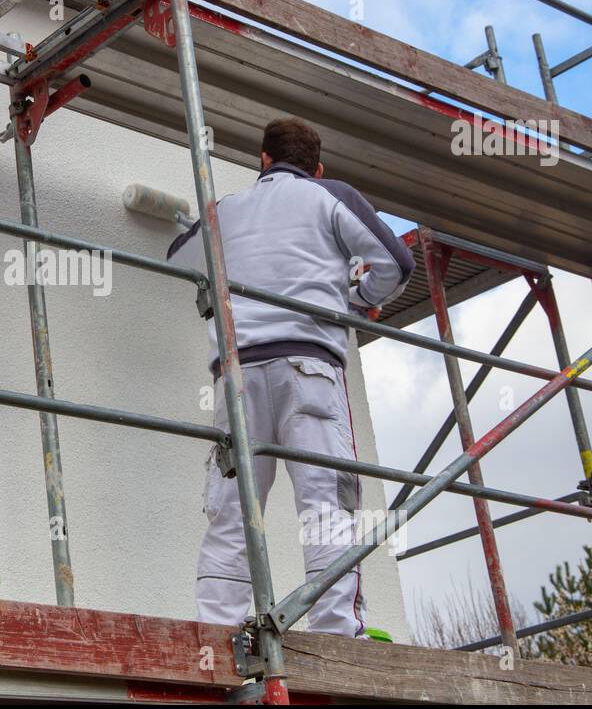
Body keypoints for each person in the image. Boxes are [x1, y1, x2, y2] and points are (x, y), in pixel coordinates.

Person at [168, 117, 414, 636]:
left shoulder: (227, 210)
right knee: (326, 504)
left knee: (233, 510)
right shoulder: (329, 196)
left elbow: (181, 257)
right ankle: (334, 635)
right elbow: (396, 261)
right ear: (317, 169)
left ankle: (218, 633)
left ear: (262, 161)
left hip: (236, 376)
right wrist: (357, 298)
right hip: (309, 371)